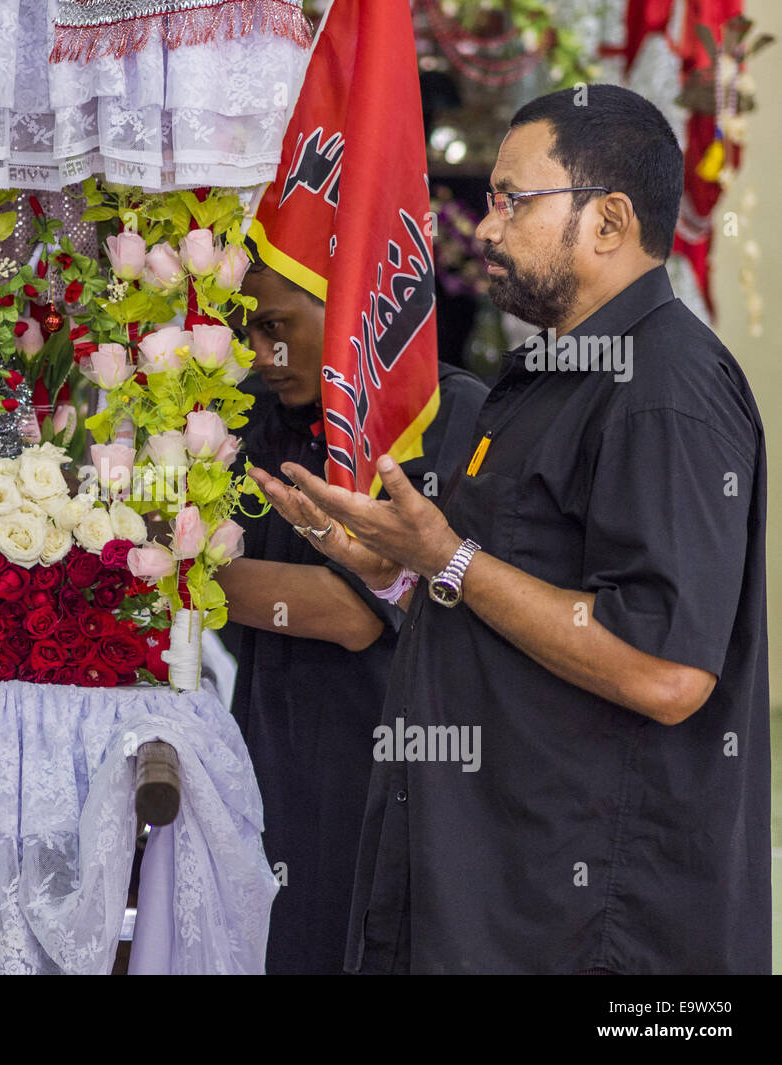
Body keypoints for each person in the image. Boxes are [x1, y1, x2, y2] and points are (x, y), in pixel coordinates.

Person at [250, 84, 770, 974]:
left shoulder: (665, 391)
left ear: (608, 220)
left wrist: (448, 555)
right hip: (482, 891)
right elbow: (495, 600)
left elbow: (668, 670)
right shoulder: (547, 377)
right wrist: (391, 570)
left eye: (512, 201)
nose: (485, 229)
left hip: (586, 924)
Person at [219, 256, 486, 973]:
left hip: (394, 769)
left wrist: (171, 572)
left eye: (274, 326)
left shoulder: (436, 413)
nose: (259, 351)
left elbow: (352, 611)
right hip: (267, 753)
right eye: (246, 328)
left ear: (347, 308)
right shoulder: (248, 414)